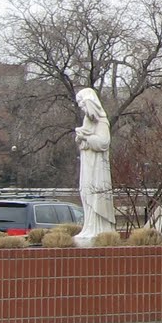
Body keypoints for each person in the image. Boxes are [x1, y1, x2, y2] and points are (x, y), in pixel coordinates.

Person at [73, 87, 117, 242]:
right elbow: (83, 142)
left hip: (97, 167)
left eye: (83, 105)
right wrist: (80, 138)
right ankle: (90, 226)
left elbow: (103, 143)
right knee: (86, 192)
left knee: (96, 194)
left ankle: (99, 228)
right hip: (88, 164)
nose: (83, 109)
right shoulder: (87, 121)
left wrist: (86, 138)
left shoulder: (102, 121)